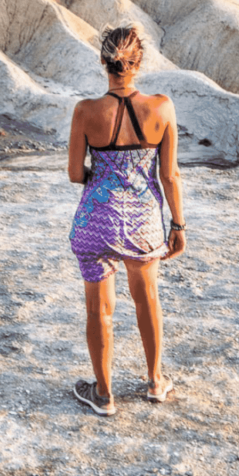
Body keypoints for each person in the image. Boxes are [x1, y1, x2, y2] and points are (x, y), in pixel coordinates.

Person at [68, 24, 186, 416]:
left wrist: (103, 180)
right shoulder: (162, 107)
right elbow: (169, 175)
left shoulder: (85, 111)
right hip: (143, 221)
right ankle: (155, 382)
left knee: (99, 311)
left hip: (96, 219)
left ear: (103, 61)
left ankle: (103, 395)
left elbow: (73, 173)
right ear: (138, 62)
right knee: (146, 299)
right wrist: (178, 226)